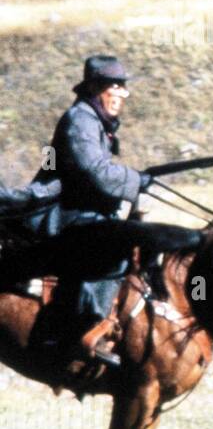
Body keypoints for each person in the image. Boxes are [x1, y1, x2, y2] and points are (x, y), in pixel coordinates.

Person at [31, 56, 155, 371]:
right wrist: (135, 180)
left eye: (124, 87)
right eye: (116, 86)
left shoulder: (96, 122)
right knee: (106, 244)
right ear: (94, 88)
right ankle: (82, 331)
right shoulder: (80, 119)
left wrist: (134, 183)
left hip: (81, 208)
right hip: (60, 211)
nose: (123, 94)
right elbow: (96, 173)